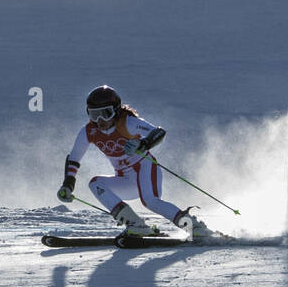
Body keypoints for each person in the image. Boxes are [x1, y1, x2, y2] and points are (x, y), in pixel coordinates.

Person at [57, 86, 210, 238]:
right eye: (94, 115)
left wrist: (143, 144)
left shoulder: (127, 122)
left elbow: (158, 132)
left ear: (116, 110)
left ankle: (194, 228)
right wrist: (68, 185)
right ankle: (136, 225)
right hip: (126, 179)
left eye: (105, 113)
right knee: (95, 183)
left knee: (150, 202)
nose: (100, 120)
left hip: (145, 168)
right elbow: (74, 158)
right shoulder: (89, 132)